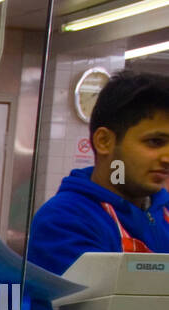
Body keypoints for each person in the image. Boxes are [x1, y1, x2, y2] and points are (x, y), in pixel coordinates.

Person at [28, 71, 169, 275]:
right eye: (155, 142)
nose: (167, 158)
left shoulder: (164, 214)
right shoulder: (65, 221)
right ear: (104, 141)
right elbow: (100, 306)